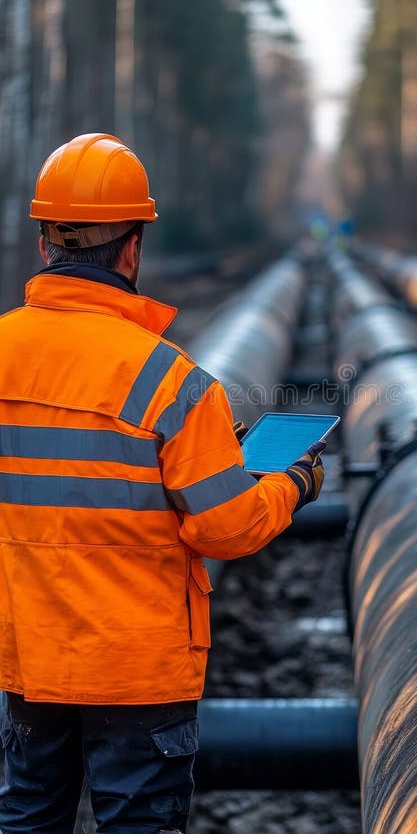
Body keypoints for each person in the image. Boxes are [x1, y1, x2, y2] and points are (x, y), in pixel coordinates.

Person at [0, 133, 325, 833]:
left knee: (27, 817)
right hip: (136, 671)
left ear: (45, 244)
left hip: (29, 659)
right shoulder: (170, 380)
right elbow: (227, 527)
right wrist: (292, 481)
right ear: (132, 248)